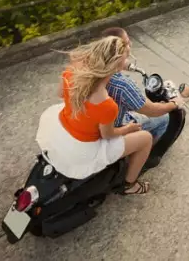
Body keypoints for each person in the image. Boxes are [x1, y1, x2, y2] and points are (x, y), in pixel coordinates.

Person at [35, 35, 153, 194]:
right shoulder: (106, 104)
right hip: (83, 149)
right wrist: (128, 128)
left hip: (61, 131)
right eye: (126, 58)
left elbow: (61, 94)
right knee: (146, 138)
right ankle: (130, 185)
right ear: (118, 66)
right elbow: (107, 135)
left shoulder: (72, 72)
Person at [101, 27, 186, 169]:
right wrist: (174, 103)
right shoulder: (123, 86)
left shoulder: (93, 67)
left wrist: (122, 64)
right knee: (164, 119)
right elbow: (152, 110)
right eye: (126, 43)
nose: (130, 45)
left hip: (97, 124)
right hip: (116, 127)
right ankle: (144, 158)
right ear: (119, 51)